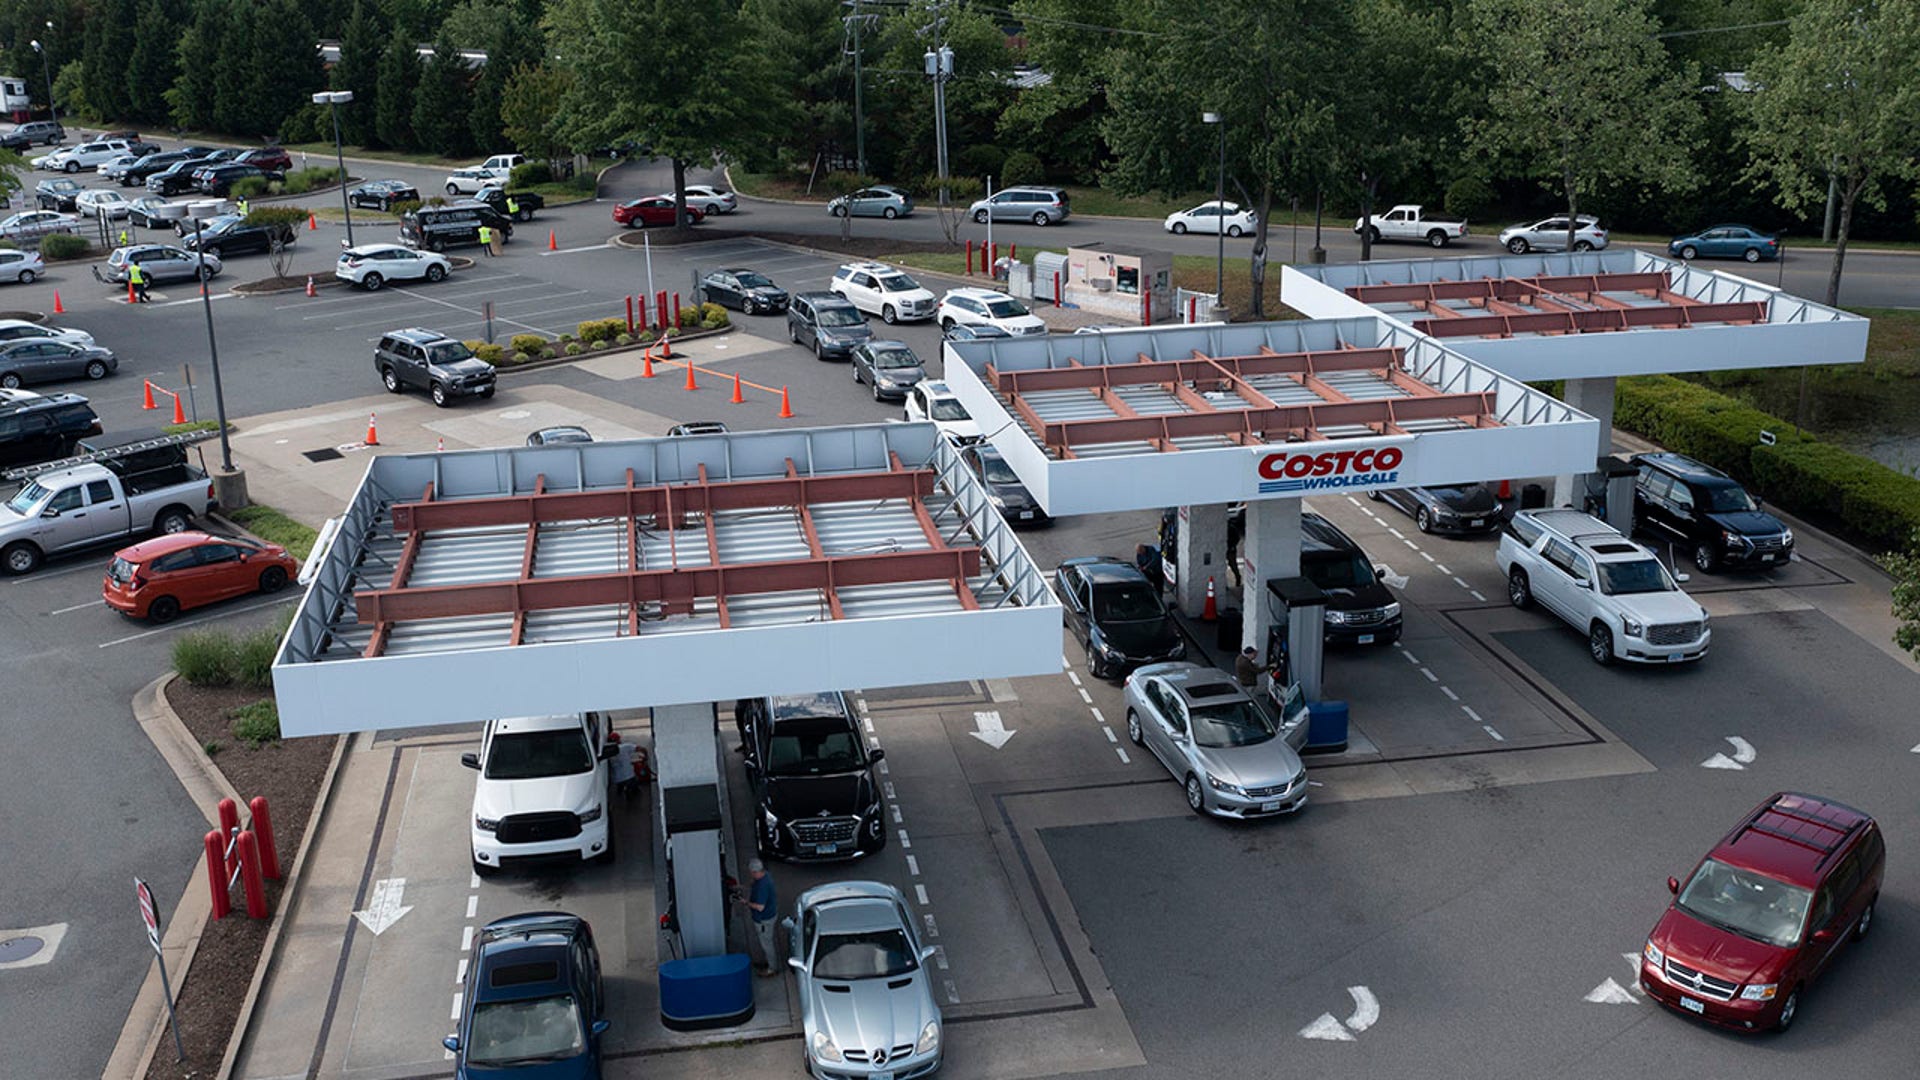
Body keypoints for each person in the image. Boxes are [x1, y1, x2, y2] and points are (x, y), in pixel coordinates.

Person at [735, 858, 780, 975]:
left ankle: (772, 968)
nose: (751, 874)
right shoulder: (765, 877)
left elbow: (760, 907)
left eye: (751, 872)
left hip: (764, 920)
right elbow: (753, 886)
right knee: (766, 943)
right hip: (769, 915)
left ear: (755, 872)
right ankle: (768, 962)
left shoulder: (763, 886)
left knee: (767, 943)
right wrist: (743, 887)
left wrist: (746, 903)